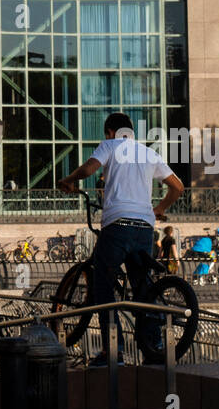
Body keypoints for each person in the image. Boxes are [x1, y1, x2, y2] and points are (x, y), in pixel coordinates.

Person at [58, 111, 184, 366]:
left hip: (117, 225)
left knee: (103, 286)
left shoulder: (110, 145)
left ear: (110, 133)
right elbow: (178, 187)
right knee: (141, 287)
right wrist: (159, 209)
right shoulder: (148, 152)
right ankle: (154, 346)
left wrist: (69, 180)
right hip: (144, 228)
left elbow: (89, 168)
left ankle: (112, 352)